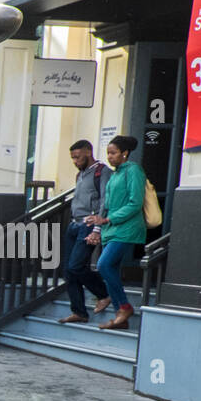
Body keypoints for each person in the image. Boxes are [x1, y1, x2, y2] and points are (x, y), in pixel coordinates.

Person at [85, 135, 148, 331]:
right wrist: (98, 223)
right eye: (108, 154)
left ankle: (125, 307)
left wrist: (109, 219)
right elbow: (108, 202)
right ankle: (121, 316)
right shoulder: (116, 173)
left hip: (126, 228)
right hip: (111, 229)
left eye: (113, 153)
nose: (110, 157)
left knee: (103, 265)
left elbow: (135, 203)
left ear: (125, 153)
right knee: (108, 269)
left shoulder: (134, 170)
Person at [57, 141, 111, 324]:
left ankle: (104, 293)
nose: (74, 161)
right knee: (68, 271)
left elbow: (105, 201)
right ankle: (79, 312)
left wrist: (97, 229)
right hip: (74, 225)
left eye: (77, 156)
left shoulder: (102, 171)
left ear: (88, 152)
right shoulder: (80, 174)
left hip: (89, 224)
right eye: (72, 157)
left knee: (76, 266)